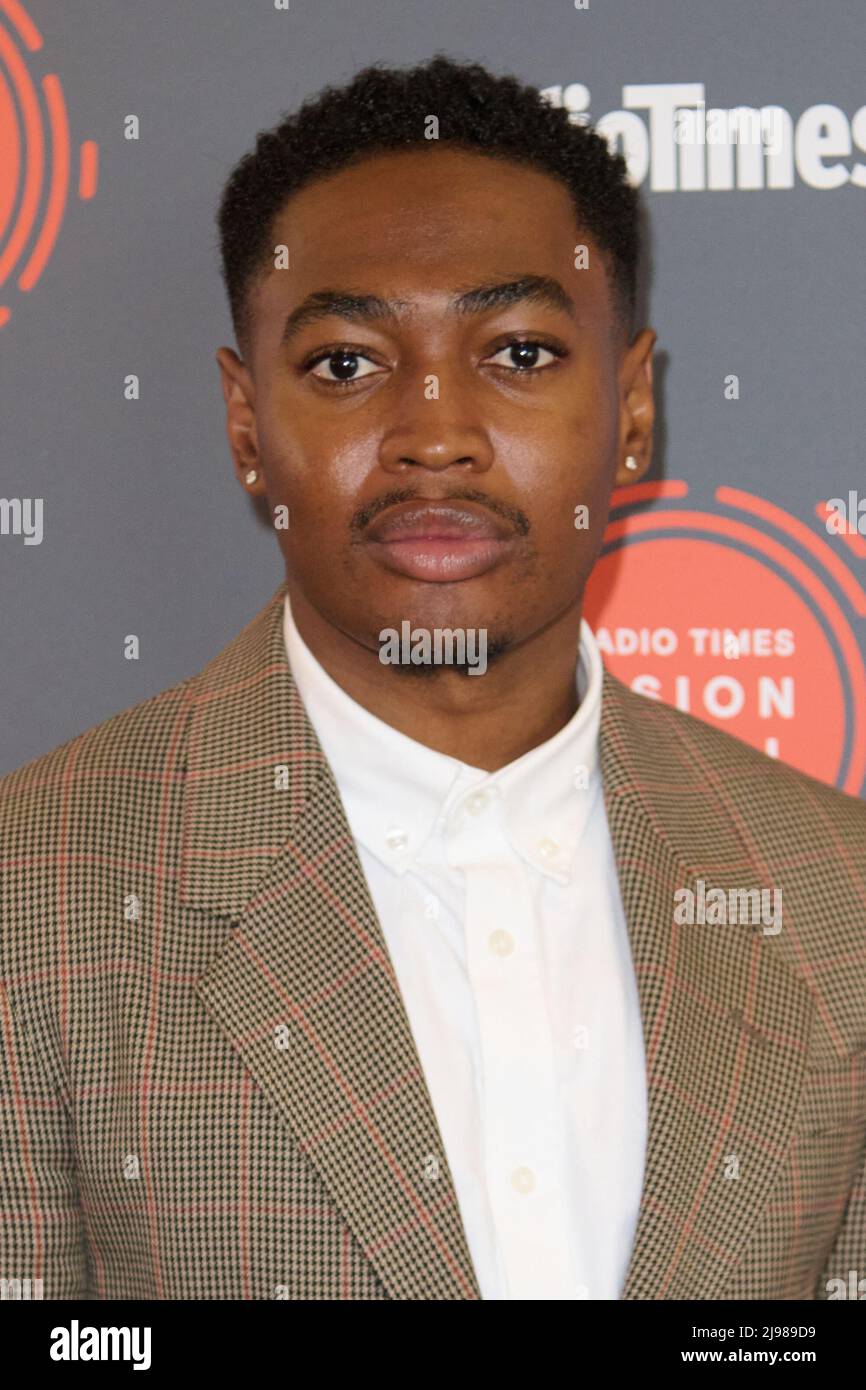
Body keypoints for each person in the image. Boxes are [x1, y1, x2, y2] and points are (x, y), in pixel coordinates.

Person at [1, 55, 864, 1302]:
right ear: (247, 426)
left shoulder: (832, 896)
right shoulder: (34, 901)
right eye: (347, 363)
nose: (435, 430)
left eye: (516, 351)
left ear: (629, 409)